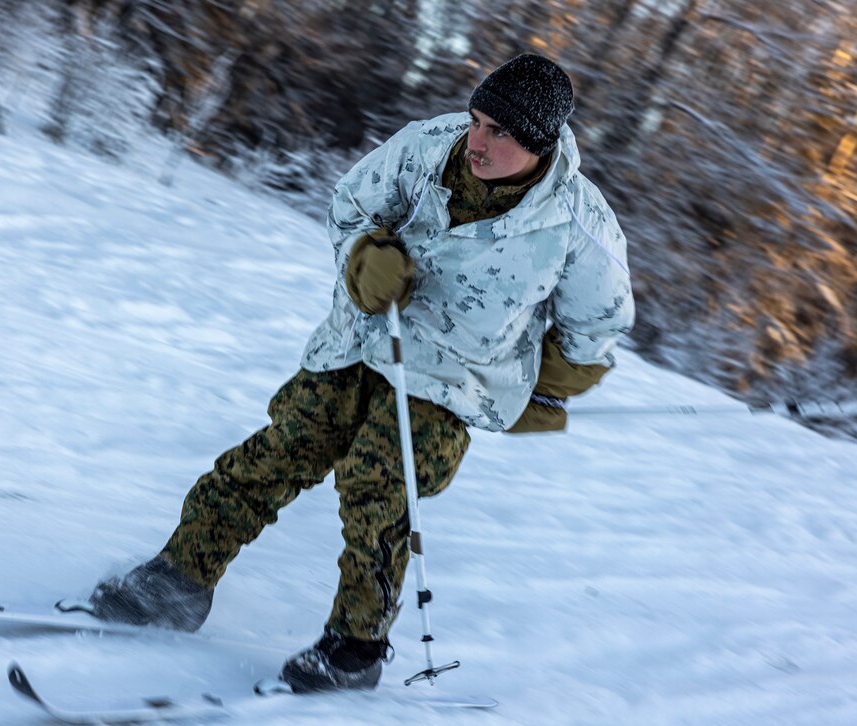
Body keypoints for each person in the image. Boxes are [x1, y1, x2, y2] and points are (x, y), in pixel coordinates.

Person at [86, 53, 635, 693]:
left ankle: (354, 648)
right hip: (360, 338)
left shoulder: (577, 223)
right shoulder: (427, 147)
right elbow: (350, 204)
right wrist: (363, 257)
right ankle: (175, 583)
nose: (477, 141)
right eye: (477, 120)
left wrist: (542, 388)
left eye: (500, 133)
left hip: (451, 379)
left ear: (540, 144)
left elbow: (598, 325)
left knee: (380, 494)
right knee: (275, 453)